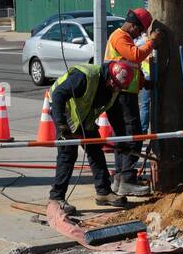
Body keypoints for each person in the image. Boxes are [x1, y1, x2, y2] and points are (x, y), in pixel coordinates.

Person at [48, 59, 135, 213]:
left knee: (95, 151)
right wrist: (62, 124)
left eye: (120, 88)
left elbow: (115, 116)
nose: (117, 89)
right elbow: (59, 95)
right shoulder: (84, 76)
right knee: (67, 153)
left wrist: (121, 140)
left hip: (84, 117)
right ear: (110, 77)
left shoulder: (114, 88)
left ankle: (104, 192)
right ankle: (56, 198)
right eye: (116, 85)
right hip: (65, 112)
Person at [104, 8, 161, 195]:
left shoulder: (123, 37)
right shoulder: (120, 37)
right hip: (122, 96)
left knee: (123, 136)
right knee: (134, 136)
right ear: (134, 25)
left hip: (122, 93)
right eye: (141, 31)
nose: (141, 35)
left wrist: (144, 83)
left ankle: (120, 179)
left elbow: (130, 67)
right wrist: (152, 42)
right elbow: (135, 56)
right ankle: (127, 178)